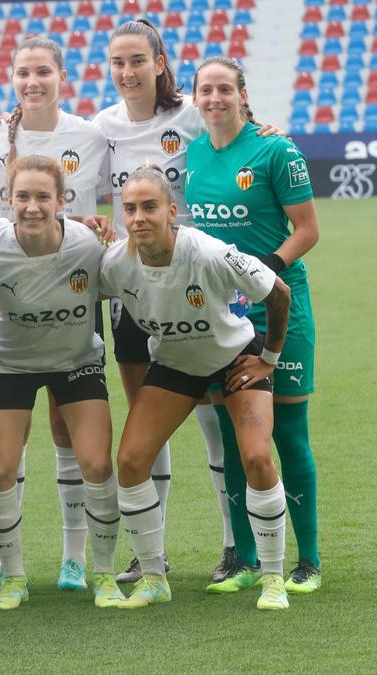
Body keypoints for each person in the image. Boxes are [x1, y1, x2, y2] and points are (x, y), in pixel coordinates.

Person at [95, 19, 283, 585]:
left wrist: (260, 127)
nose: (127, 72)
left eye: (137, 60)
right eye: (118, 62)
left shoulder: (189, 115)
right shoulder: (98, 128)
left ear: (158, 63)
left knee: (214, 424)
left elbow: (234, 124)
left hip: (202, 278)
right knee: (145, 423)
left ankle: (233, 545)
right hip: (138, 286)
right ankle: (151, 556)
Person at [100, 165, 295, 610]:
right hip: (175, 364)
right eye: (129, 209)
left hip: (234, 358)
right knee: (130, 461)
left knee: (257, 457)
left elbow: (278, 292)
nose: (138, 218)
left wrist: (269, 360)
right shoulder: (114, 263)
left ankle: (272, 579)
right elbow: (77, 291)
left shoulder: (207, 252)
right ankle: (153, 578)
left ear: (172, 211)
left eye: (150, 207)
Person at [0, 35, 111, 593]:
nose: (33, 82)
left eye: (43, 72)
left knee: (77, 443)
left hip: (75, 301)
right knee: (2, 465)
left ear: (61, 75)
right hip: (10, 314)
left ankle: (80, 561)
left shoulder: (92, 135)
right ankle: (13, 576)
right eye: (23, 73)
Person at [0, 155, 123, 610]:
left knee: (95, 464)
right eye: (23, 197)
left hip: (76, 360)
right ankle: (12, 577)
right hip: (12, 362)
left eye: (43, 197)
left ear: (62, 201)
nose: (32, 207)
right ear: (8, 200)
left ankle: (105, 574)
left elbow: (125, 277)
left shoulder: (88, 245)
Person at [186, 56, 323, 595]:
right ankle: (243, 558)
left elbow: (308, 229)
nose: (215, 99)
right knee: (229, 431)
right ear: (195, 98)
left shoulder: (276, 150)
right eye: (206, 91)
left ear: (242, 95)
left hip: (281, 306)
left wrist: (265, 272)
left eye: (225, 89)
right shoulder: (194, 153)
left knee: (287, 434)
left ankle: (307, 560)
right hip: (223, 313)